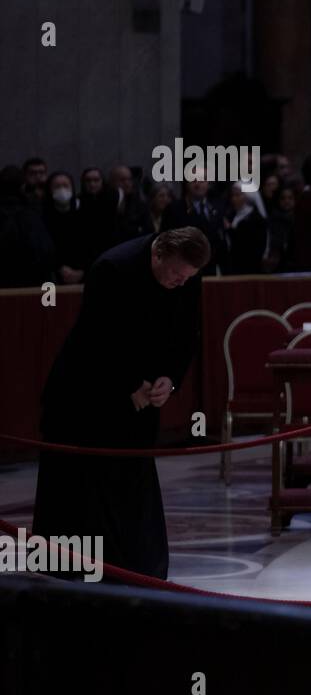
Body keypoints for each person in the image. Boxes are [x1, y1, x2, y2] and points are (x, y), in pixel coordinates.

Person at [32, 226, 210, 578]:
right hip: (84, 397)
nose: (180, 282)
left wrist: (169, 381)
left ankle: (136, 571)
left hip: (141, 400)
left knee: (132, 485)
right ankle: (71, 570)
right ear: (158, 254)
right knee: (79, 488)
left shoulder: (187, 275)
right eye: (175, 274)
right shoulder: (112, 269)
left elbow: (187, 334)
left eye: (187, 277)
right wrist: (131, 384)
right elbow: (96, 339)